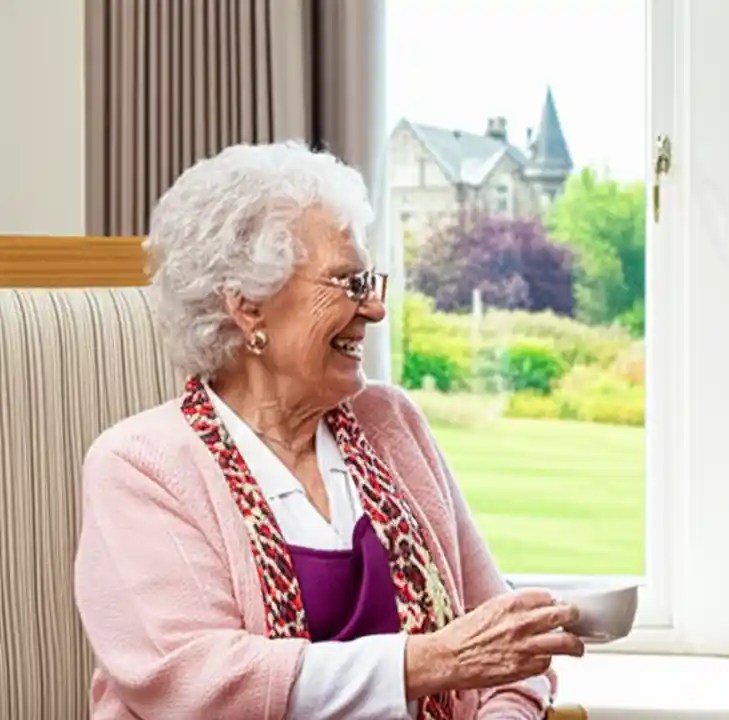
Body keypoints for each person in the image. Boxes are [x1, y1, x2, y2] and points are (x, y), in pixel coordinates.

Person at [73, 141, 585, 719]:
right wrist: (432, 661)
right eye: (348, 283)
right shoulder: (141, 464)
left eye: (370, 283)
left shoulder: (391, 424)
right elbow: (200, 684)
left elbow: (505, 647)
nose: (374, 310)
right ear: (249, 308)